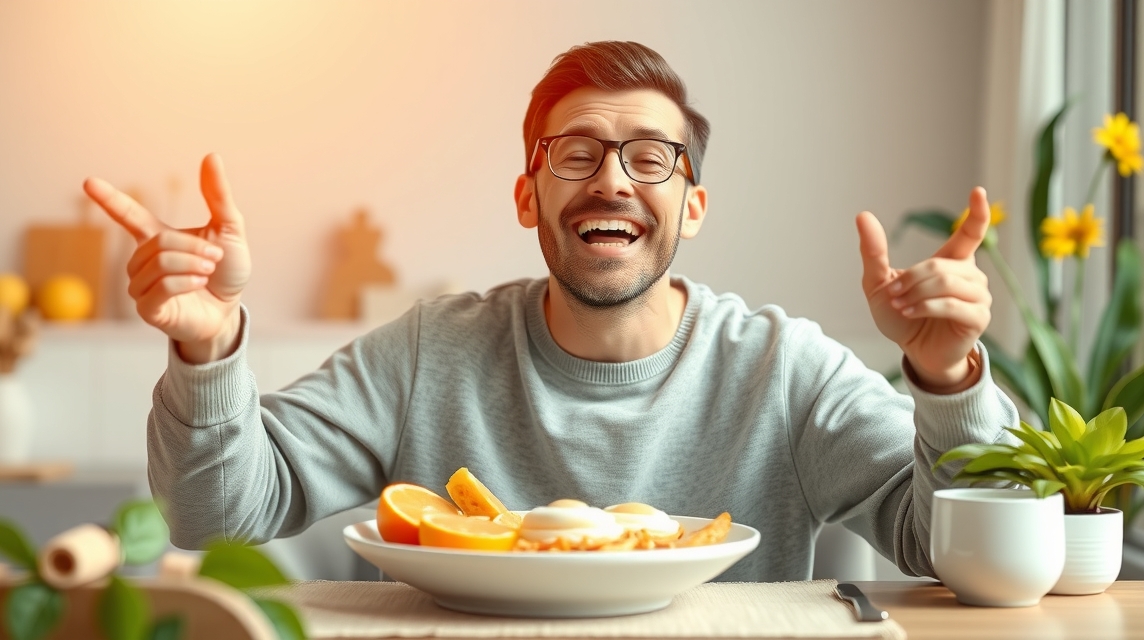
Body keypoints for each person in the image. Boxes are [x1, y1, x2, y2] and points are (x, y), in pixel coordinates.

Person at [83, 40, 1016, 582]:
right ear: (528, 195)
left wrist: (946, 376)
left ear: (692, 206)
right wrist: (208, 351)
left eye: (651, 157)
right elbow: (217, 515)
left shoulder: (783, 367)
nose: (611, 179)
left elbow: (961, 554)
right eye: (575, 153)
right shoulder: (427, 353)